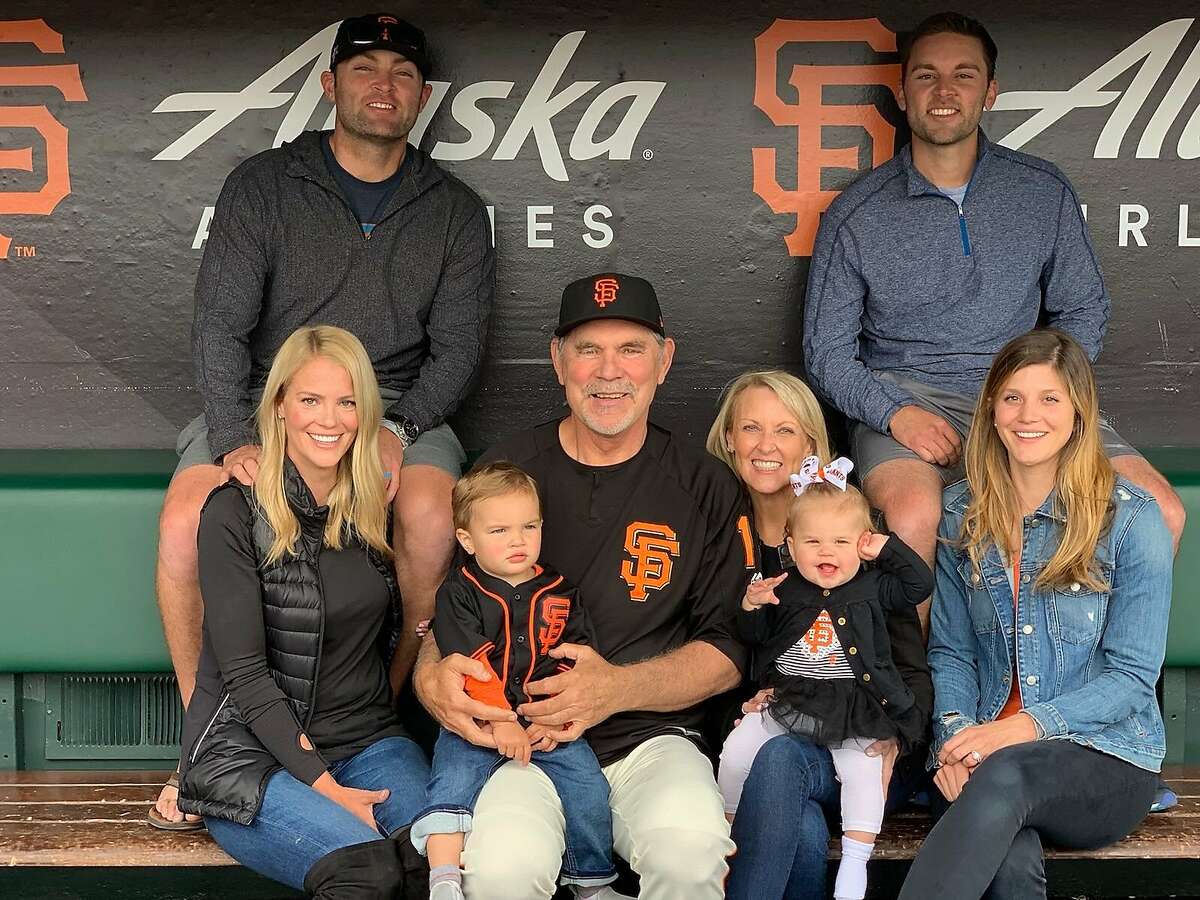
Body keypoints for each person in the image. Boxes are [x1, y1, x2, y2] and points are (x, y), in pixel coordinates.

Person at [154, 13, 494, 824]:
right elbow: (219, 332)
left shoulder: (452, 207)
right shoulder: (265, 184)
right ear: (330, 83)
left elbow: (458, 351)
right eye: (366, 69)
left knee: (428, 517)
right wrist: (239, 437)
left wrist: (399, 429)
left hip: (397, 407)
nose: (385, 87)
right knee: (183, 522)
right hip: (274, 404)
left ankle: (385, 707)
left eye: (403, 74)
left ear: (423, 94)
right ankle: (213, 740)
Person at [802, 11, 1185, 633]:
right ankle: (922, 710)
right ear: (901, 95)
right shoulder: (858, 212)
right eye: (926, 76)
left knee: (1159, 510)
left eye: (964, 74)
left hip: (1023, 389)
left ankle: (1099, 700)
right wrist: (895, 413)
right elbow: (825, 352)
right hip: (911, 400)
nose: (944, 90)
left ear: (990, 91)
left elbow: (1083, 309)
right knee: (912, 516)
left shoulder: (1040, 191)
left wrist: (1043, 395)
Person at [414, 273, 754, 900]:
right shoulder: (507, 471)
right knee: (503, 872)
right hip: (522, 740)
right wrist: (429, 674)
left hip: (649, 737)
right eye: (587, 349)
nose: (608, 372)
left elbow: (730, 652)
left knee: (690, 849)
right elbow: (454, 609)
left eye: (630, 348)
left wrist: (617, 689)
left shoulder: (703, 484)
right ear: (557, 360)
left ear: (664, 358)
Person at [897, 329, 1172, 899]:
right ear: (992, 408)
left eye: (1050, 398)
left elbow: (1131, 680)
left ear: (1077, 413)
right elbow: (951, 653)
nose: (1029, 415)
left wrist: (1005, 736)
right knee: (1009, 860)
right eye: (1013, 397)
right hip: (988, 763)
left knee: (1005, 774)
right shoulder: (961, 513)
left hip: (1105, 760)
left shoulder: (1129, 520)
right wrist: (956, 742)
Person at [175, 325, 431, 898]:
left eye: (347, 402)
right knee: (368, 874)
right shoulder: (232, 513)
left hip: (368, 742)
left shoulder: (372, 509)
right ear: (281, 406)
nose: (330, 419)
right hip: (251, 755)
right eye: (311, 399)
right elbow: (244, 675)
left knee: (437, 858)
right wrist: (326, 788)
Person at [704, 371, 932, 900]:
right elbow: (718, 650)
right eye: (751, 429)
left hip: (866, 742)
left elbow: (910, 664)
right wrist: (749, 701)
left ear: (810, 445)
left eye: (785, 431)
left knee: (779, 764)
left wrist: (901, 736)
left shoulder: (858, 545)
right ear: (729, 440)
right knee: (800, 825)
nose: (765, 446)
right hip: (775, 729)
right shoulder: (718, 538)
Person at [410, 462, 620, 900]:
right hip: (480, 719)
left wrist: (558, 714)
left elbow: (577, 654)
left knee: (589, 786)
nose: (518, 540)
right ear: (467, 540)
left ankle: (592, 882)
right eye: (499, 530)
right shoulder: (460, 590)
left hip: (547, 721)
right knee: (451, 783)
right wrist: (500, 721)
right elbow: (469, 658)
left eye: (528, 526)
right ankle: (444, 878)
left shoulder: (561, 589)